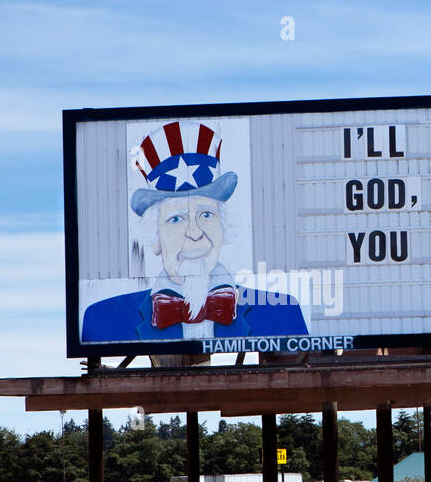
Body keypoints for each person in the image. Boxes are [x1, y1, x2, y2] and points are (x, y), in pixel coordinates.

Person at [81, 121, 308, 343]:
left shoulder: (283, 315)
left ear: (223, 228)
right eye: (175, 219)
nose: (194, 233)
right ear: (155, 238)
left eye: (206, 214)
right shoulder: (103, 320)